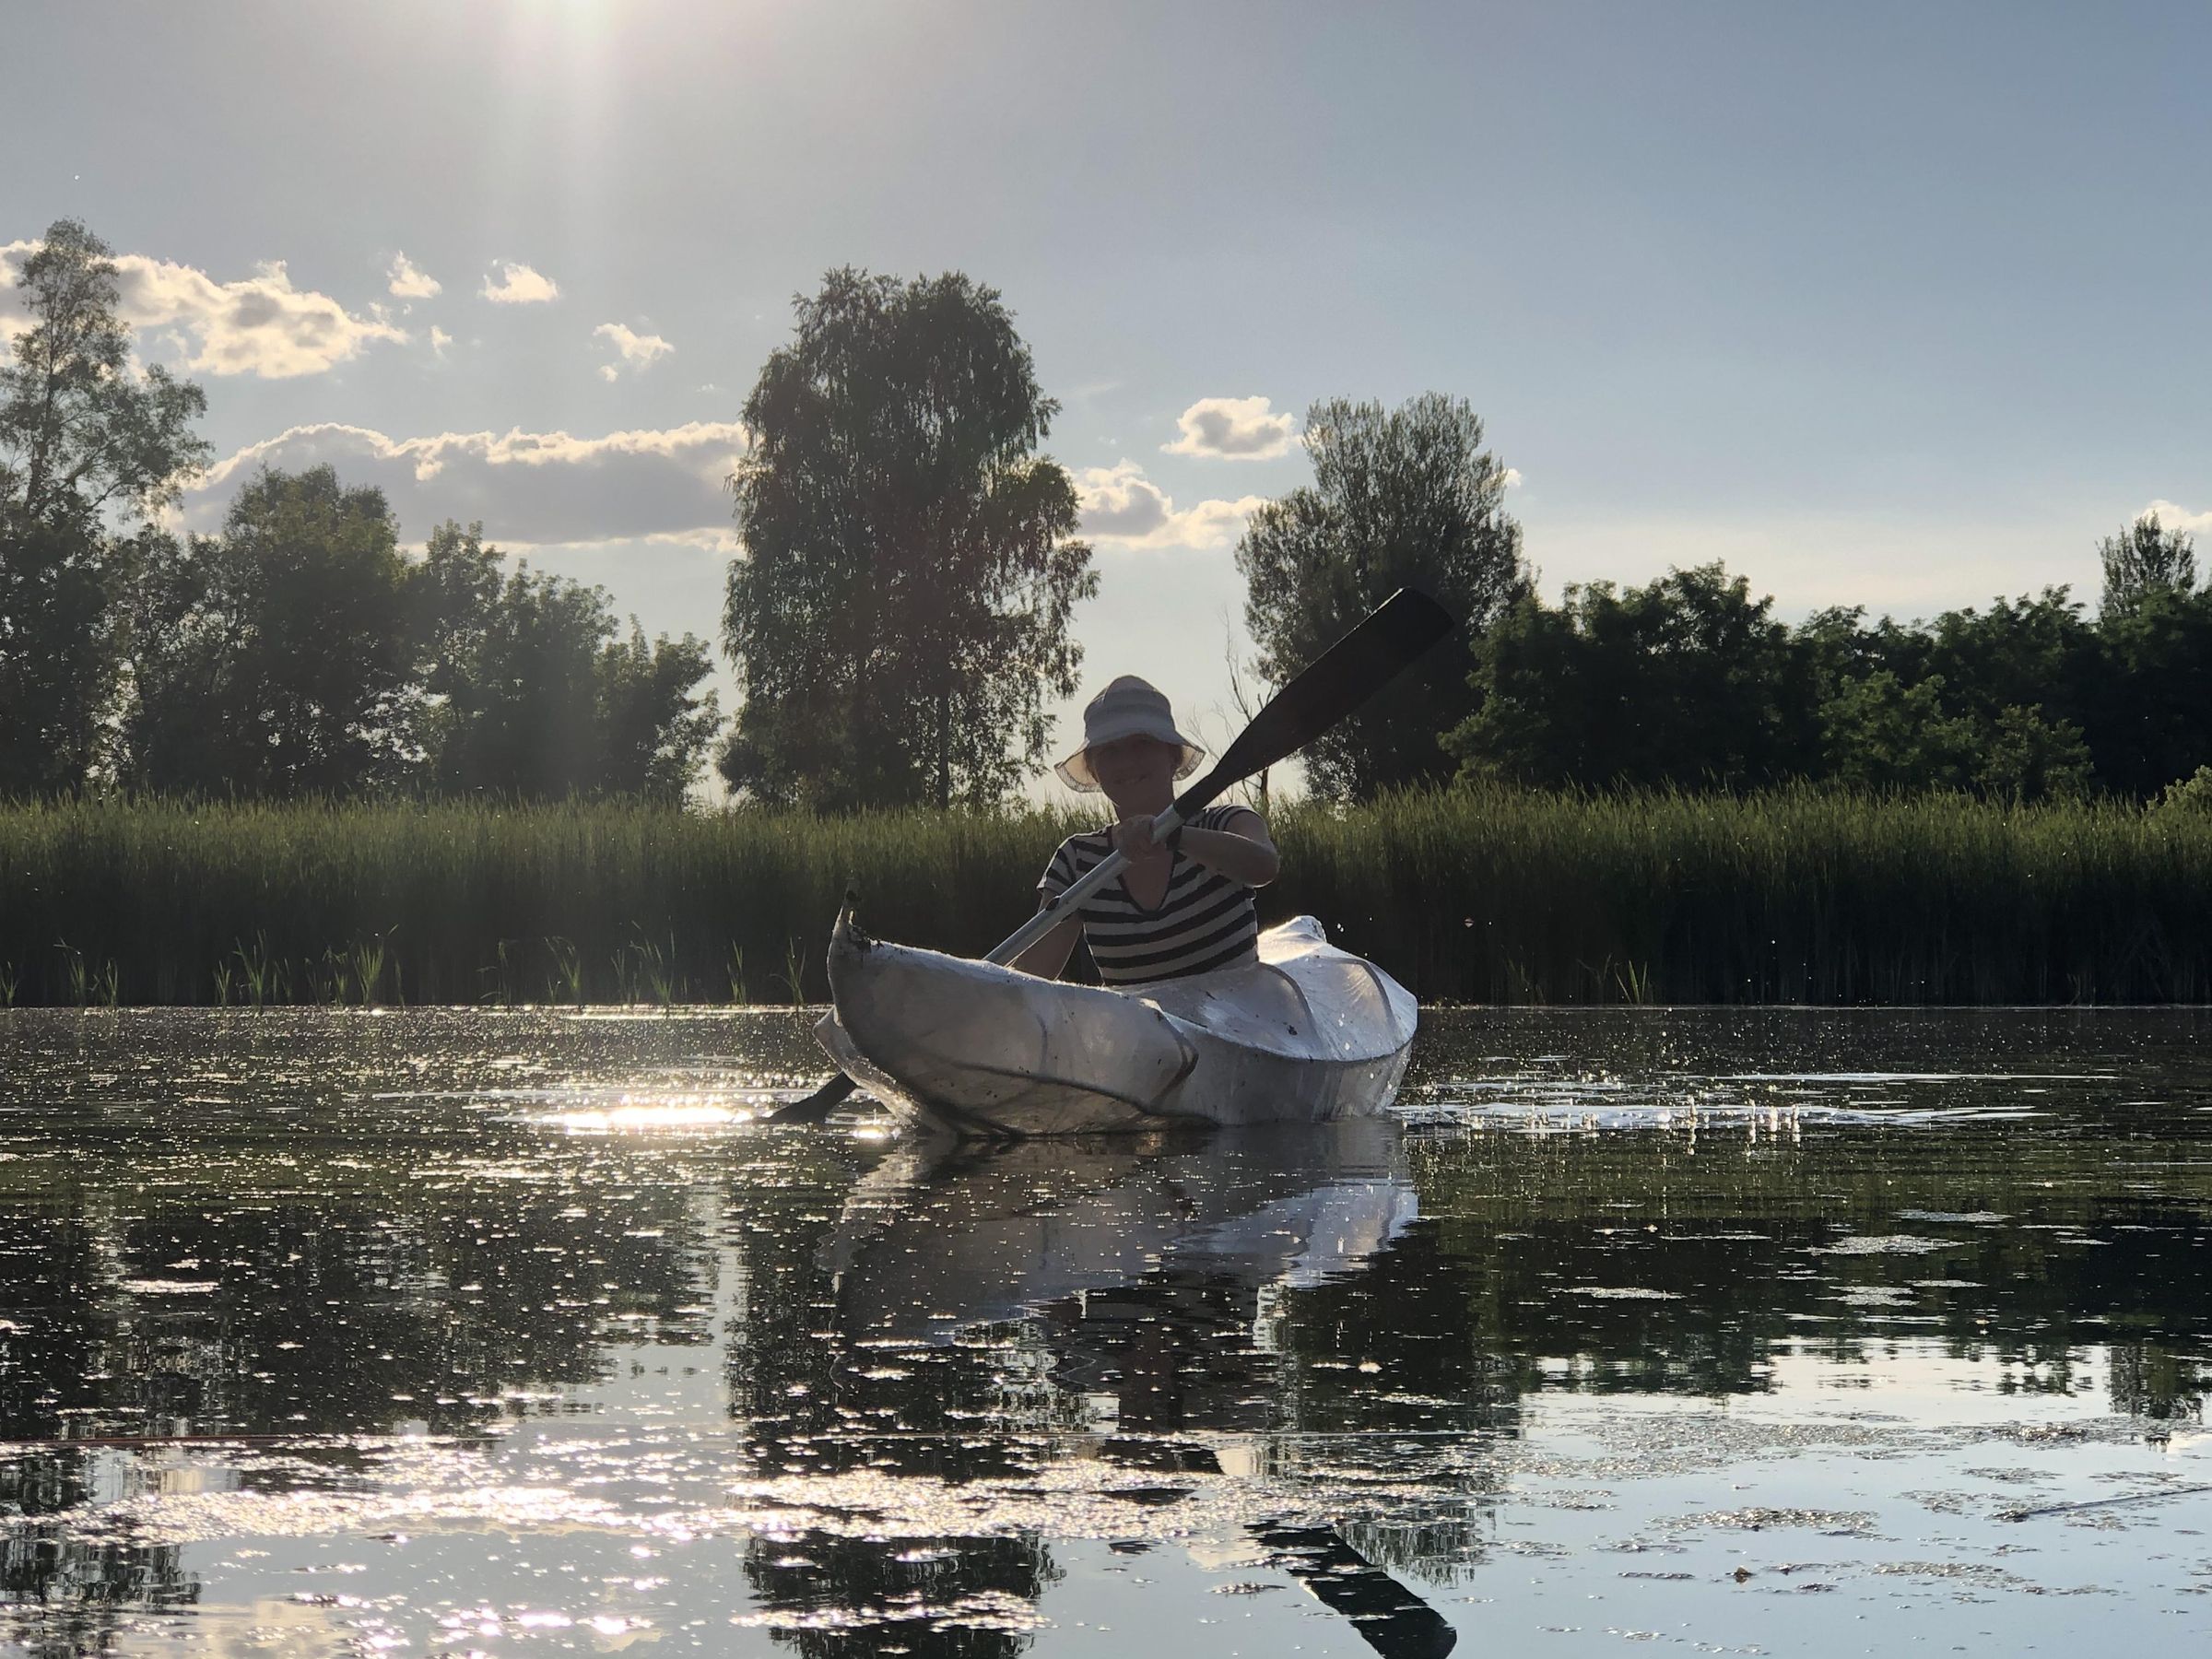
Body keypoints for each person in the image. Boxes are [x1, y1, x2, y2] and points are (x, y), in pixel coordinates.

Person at [1011, 676, 1278, 983]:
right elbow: (1031, 975)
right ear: (1094, 770)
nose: (1127, 762)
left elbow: (1264, 866)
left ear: (1172, 755)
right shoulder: (1077, 861)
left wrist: (1172, 836)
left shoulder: (1227, 823)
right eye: (1110, 751)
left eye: (1142, 744)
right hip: (1145, 1032)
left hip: (1235, 1026)